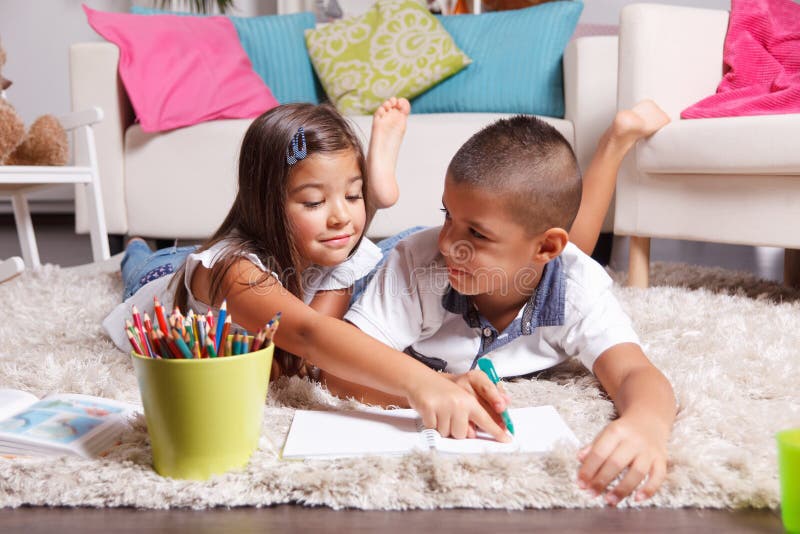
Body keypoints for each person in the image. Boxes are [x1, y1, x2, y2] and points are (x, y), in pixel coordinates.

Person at [102, 99, 511, 443]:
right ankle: (135, 246)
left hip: (285, 268)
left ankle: (372, 187)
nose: (341, 218)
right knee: (144, 263)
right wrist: (423, 383)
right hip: (163, 281)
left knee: (394, 245)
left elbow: (313, 357)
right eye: (313, 202)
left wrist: (444, 387)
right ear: (267, 202)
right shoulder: (231, 271)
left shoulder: (337, 254)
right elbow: (307, 334)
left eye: (354, 195)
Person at [328, 104, 676, 507]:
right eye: (447, 216)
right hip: (373, 262)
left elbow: (634, 370)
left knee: (578, 247)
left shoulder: (576, 285)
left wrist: (647, 424)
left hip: (544, 261)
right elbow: (337, 363)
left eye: (476, 233)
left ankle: (613, 145)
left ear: (547, 247)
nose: (447, 243)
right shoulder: (419, 265)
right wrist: (431, 388)